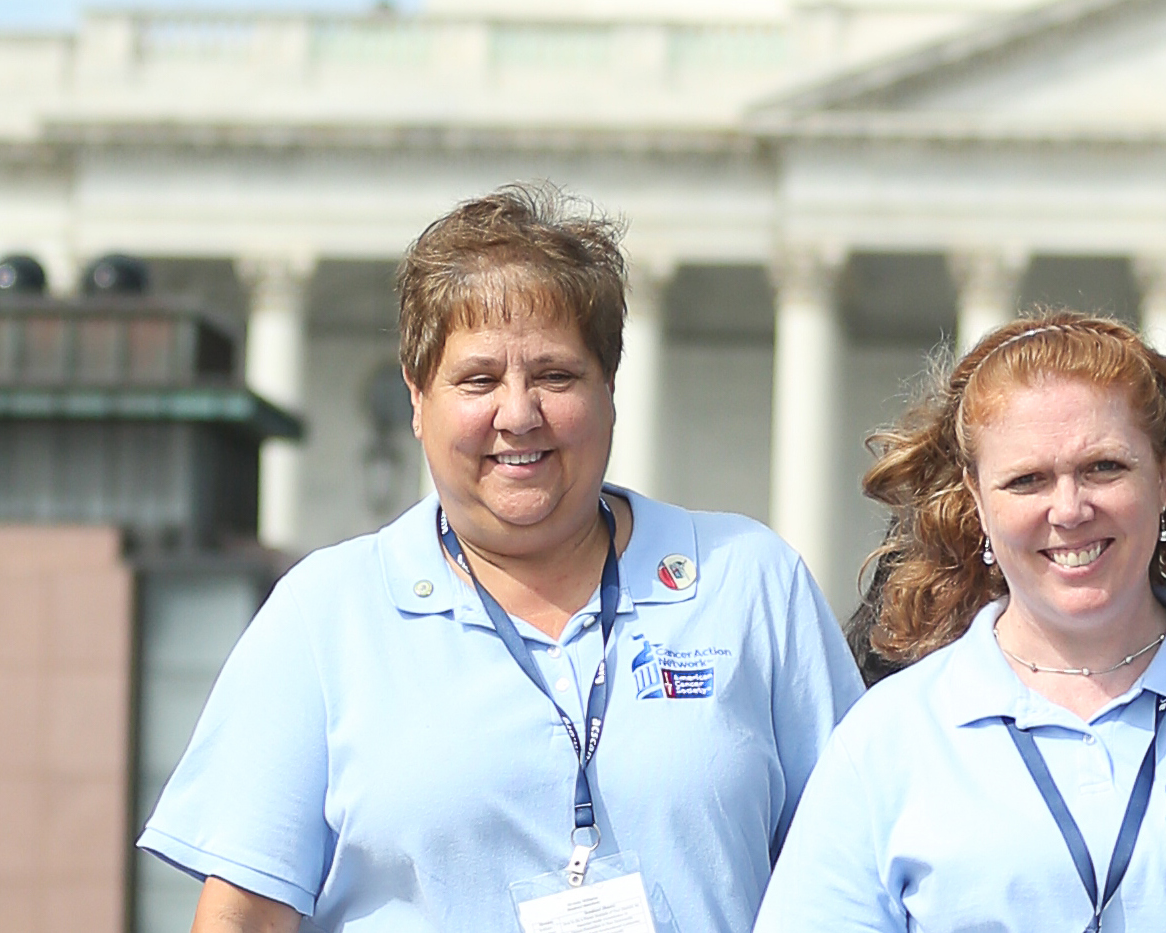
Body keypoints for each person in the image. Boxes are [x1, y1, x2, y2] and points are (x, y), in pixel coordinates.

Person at [138, 183, 866, 931]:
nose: (518, 414)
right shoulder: (326, 613)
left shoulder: (750, 582)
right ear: (418, 398)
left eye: (556, 375)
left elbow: (856, 876)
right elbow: (243, 917)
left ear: (610, 387)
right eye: (479, 379)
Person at [755, 311, 1166, 931]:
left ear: (1163, 476)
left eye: (1104, 467)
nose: (1069, 509)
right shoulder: (888, 737)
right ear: (976, 499)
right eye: (1027, 480)